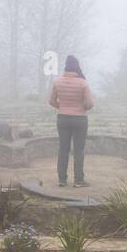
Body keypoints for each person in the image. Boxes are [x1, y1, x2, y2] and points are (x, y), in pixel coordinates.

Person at [48, 54, 95, 187]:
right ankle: (79, 180)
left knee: (63, 149)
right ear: (77, 67)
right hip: (80, 119)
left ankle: (62, 180)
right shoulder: (82, 83)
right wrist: (82, 107)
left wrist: (62, 107)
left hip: (62, 118)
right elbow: (90, 103)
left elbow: (51, 101)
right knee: (79, 150)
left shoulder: (58, 82)